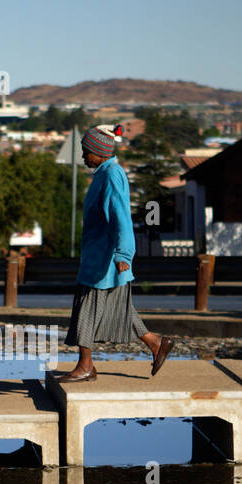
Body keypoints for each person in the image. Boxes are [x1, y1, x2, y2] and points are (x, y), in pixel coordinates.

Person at [61, 126, 173, 381]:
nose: (83, 156)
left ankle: (86, 366)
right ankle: (156, 343)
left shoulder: (112, 175)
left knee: (86, 309)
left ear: (99, 152)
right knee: (119, 309)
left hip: (105, 259)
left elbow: (120, 216)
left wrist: (124, 254)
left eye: (86, 151)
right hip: (97, 256)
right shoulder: (104, 173)